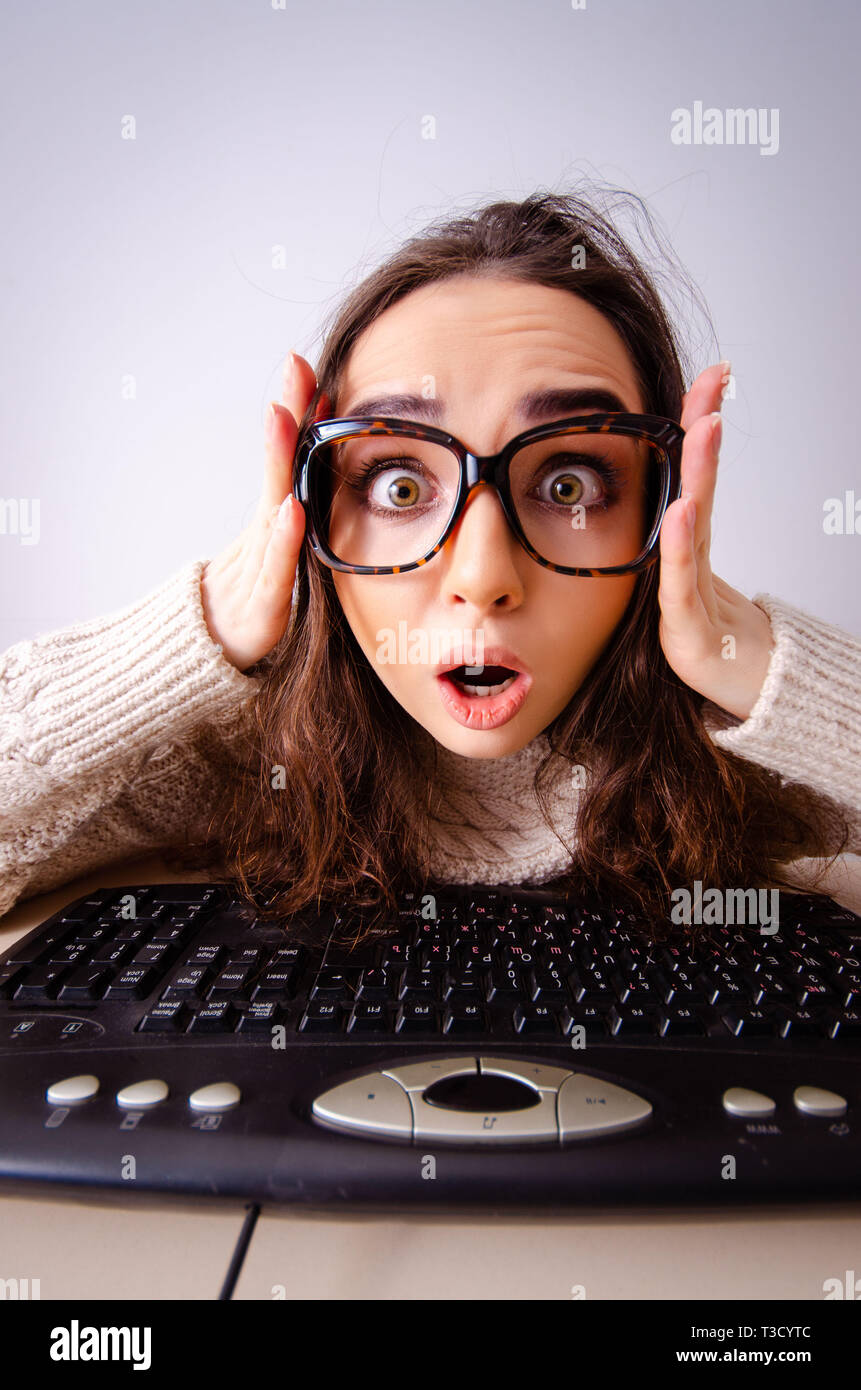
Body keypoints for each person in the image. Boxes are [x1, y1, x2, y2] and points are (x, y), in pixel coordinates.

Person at [2, 189, 859, 942]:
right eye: (401, 483)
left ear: (663, 509)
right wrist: (200, 632)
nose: (482, 576)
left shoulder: (733, 754)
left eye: (569, 481)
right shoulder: (242, 758)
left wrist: (765, 670)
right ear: (311, 510)